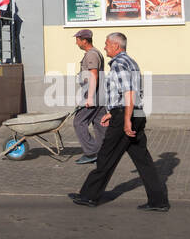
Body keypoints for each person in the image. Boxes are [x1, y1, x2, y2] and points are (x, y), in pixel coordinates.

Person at [71, 32, 169, 210]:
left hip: (127, 114)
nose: (105, 47)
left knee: (106, 156)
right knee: (144, 161)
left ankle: (89, 196)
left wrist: (125, 119)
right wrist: (112, 112)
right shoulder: (131, 61)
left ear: (116, 46)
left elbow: (129, 92)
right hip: (134, 113)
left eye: (107, 44)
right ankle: (159, 201)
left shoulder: (120, 63)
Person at [71, 30, 105, 165]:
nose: (76, 42)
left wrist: (90, 98)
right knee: (100, 123)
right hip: (99, 93)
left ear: (84, 40)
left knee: (79, 122)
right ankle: (104, 150)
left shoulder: (91, 55)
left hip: (94, 94)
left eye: (77, 40)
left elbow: (93, 76)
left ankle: (91, 152)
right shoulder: (94, 53)